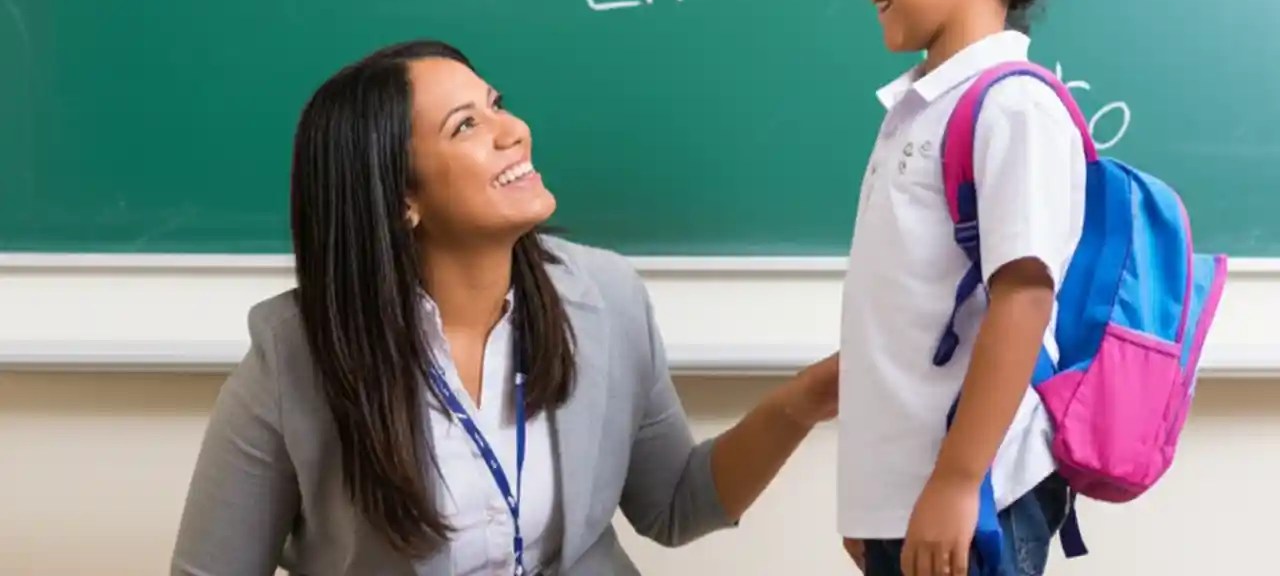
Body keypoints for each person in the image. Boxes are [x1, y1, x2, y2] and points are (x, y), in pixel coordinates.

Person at [170, 39, 839, 576]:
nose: (513, 131)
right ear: (402, 199)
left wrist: (802, 401)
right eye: (467, 126)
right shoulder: (296, 356)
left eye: (496, 105)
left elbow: (674, 505)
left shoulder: (606, 299)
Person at [837, 0, 1083, 575]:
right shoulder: (921, 107)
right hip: (912, 502)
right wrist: (870, 503)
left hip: (977, 499)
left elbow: (1024, 297)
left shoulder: (1014, 106)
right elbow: (903, 318)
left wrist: (955, 483)